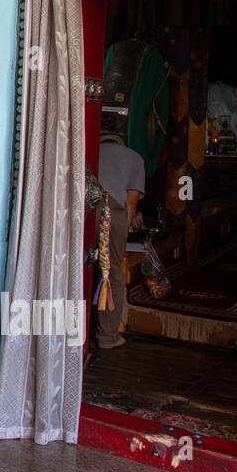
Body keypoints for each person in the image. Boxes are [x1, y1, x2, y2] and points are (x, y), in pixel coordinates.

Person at [95, 130, 145, 349]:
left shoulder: (92, 150)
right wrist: (121, 239)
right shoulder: (135, 158)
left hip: (84, 208)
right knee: (112, 272)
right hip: (110, 209)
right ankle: (107, 338)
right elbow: (130, 203)